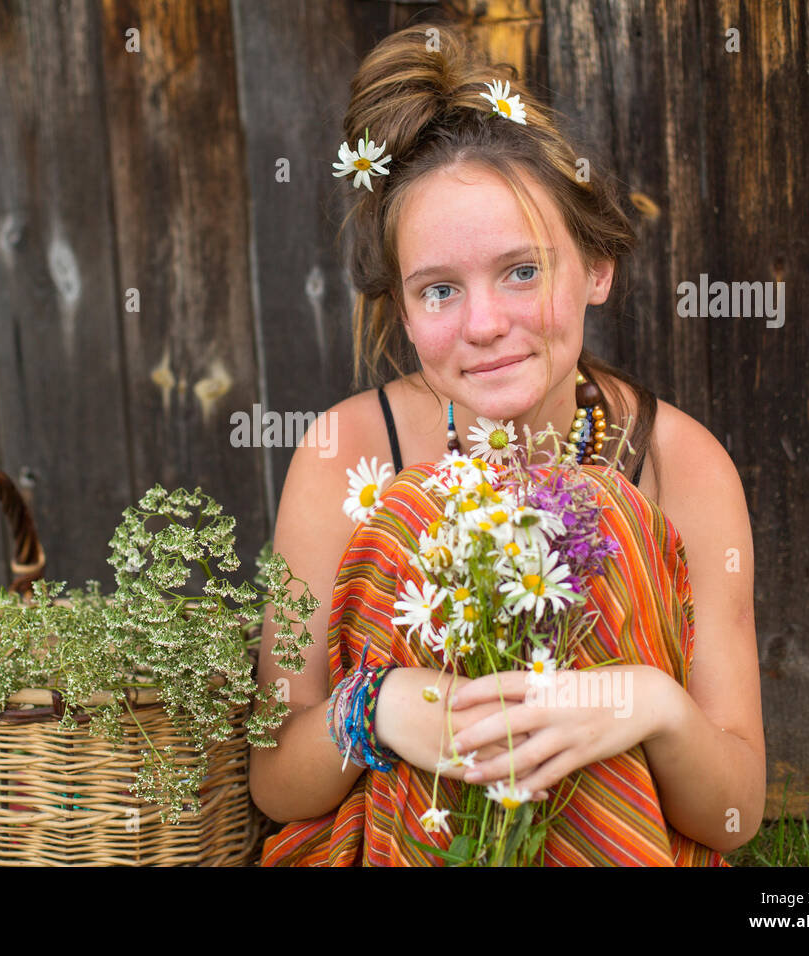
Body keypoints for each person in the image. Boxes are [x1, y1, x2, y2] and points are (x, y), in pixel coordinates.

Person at [247, 22, 764, 866]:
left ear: (597, 266)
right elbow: (274, 782)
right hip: (412, 842)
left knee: (610, 518)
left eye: (522, 271)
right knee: (415, 510)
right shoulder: (348, 451)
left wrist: (652, 704)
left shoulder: (681, 464)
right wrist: (374, 710)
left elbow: (736, 812)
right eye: (440, 289)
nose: (485, 325)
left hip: (618, 840)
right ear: (405, 313)